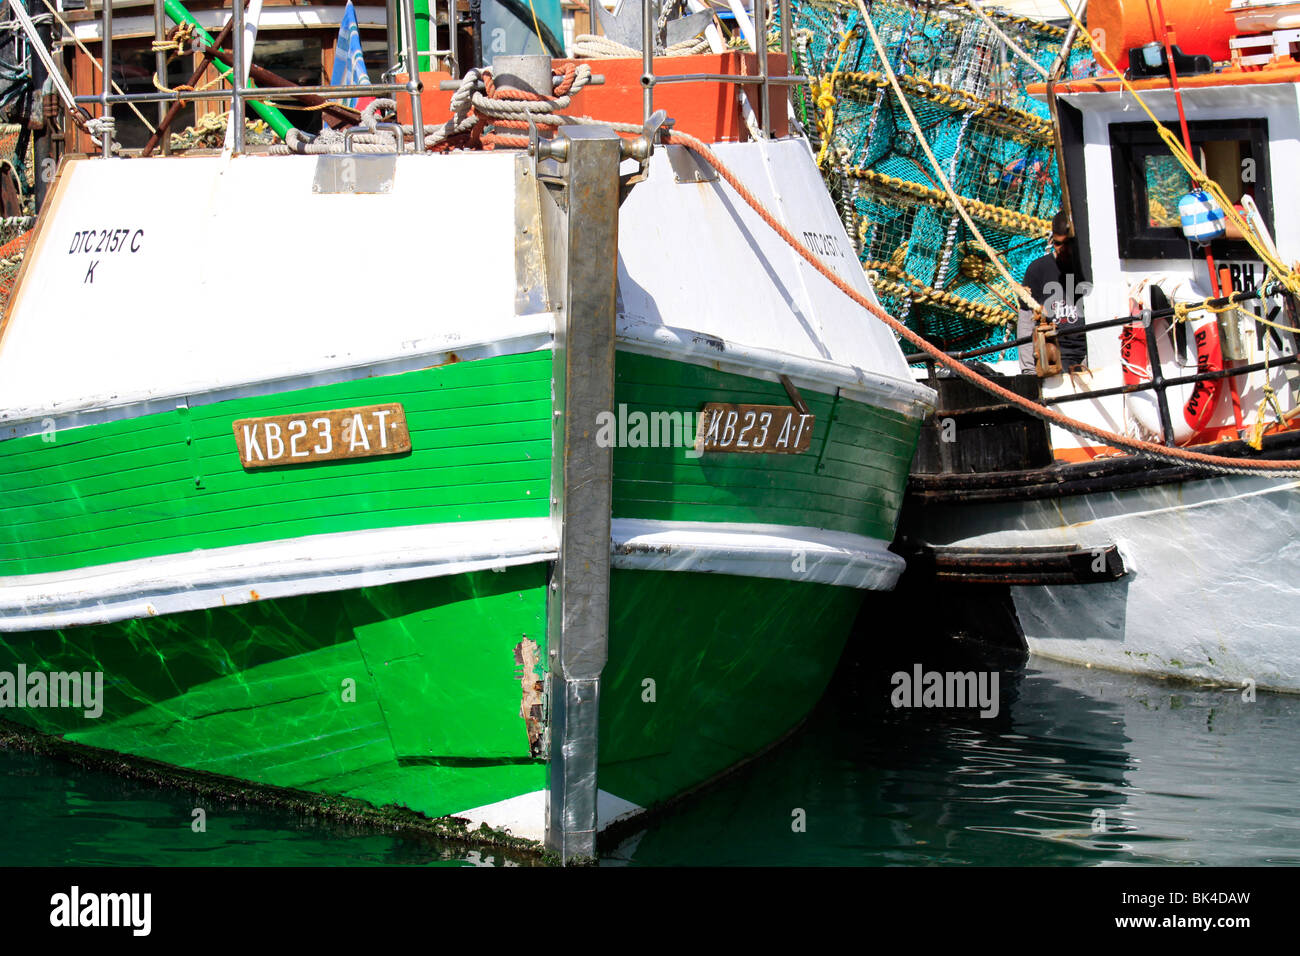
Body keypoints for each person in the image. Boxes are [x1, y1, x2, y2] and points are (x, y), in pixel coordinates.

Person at [1018, 211, 1089, 373]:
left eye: (1067, 244)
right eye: (1057, 244)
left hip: (1085, 356)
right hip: (1052, 356)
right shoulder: (1037, 270)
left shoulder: (1088, 270)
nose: (1062, 249)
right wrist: (1028, 371)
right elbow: (1025, 323)